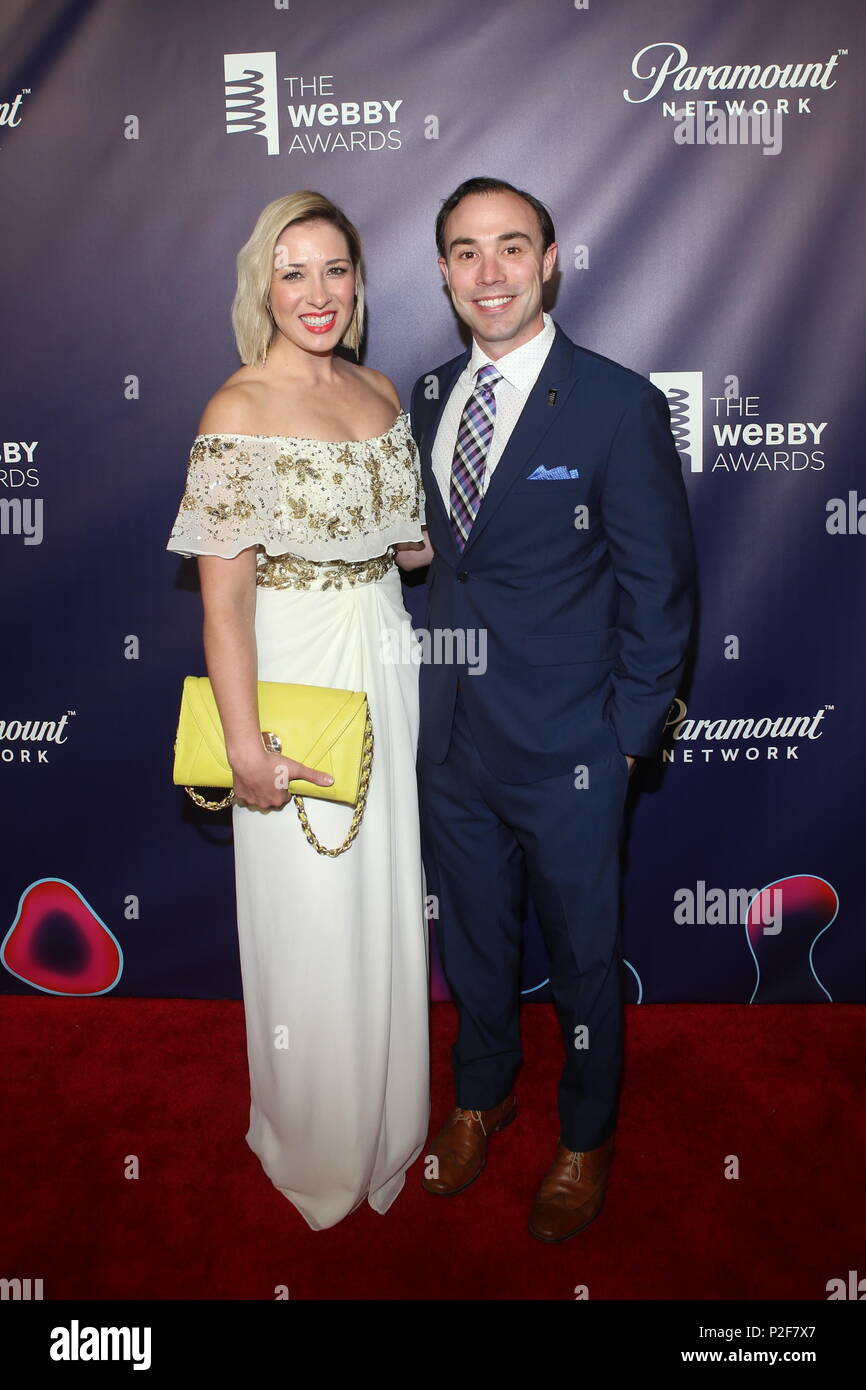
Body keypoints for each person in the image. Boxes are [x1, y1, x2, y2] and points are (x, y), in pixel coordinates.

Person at [409, 177, 696, 1241]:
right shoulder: (429, 397)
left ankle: (585, 1134)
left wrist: (625, 741)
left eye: (509, 248)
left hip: (573, 745)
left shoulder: (617, 403)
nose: (488, 272)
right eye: (465, 252)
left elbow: (660, 590)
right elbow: (450, 553)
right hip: (452, 737)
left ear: (549, 259)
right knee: (475, 943)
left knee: (582, 956)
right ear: (441, 272)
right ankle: (480, 1097)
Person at [166, 192, 430, 1230]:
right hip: (290, 666)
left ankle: (387, 1119)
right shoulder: (235, 409)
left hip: (381, 653)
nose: (316, 293)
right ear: (261, 288)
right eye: (293, 272)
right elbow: (223, 602)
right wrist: (244, 743)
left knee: (382, 894)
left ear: (358, 282)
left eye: (335, 270)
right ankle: (317, 1135)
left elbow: (407, 548)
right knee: (309, 909)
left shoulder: (377, 390)